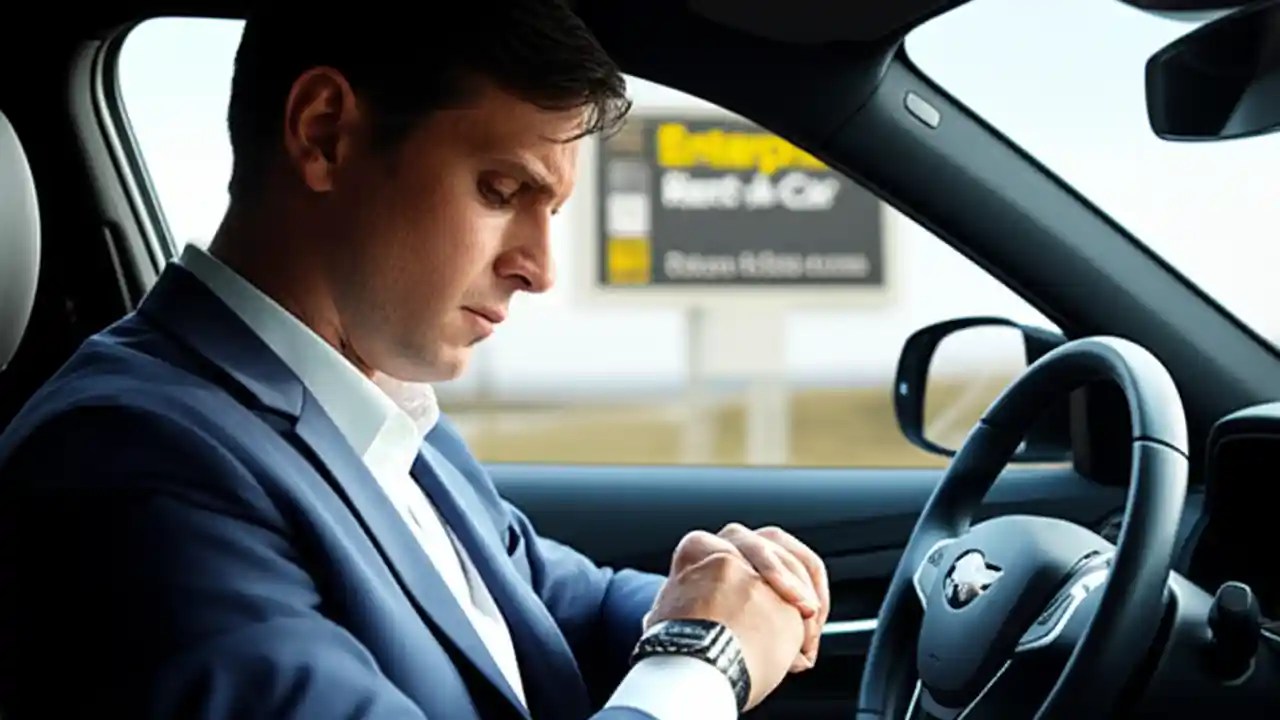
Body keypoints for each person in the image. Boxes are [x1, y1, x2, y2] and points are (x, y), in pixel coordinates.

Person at [0, 2, 830, 718]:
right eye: (502, 193)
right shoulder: (126, 462)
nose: (540, 269)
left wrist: (725, 589)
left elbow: (547, 608)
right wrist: (698, 661)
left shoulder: (382, 412)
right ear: (324, 133)